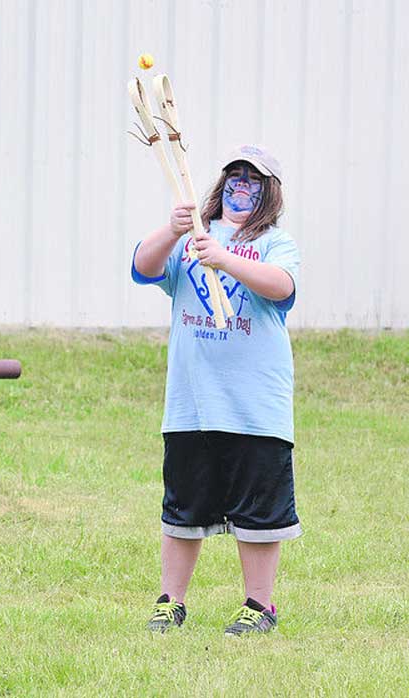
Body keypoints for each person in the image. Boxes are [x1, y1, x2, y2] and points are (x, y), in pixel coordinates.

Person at [130, 145, 301, 636]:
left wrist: (224, 259)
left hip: (256, 409)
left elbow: (281, 287)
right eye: (234, 176)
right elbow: (143, 267)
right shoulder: (190, 239)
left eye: (252, 180)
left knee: (260, 514)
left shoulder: (275, 242)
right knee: (184, 507)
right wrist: (173, 229)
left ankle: (259, 605)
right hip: (192, 403)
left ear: (268, 192)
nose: (241, 186)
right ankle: (170, 601)